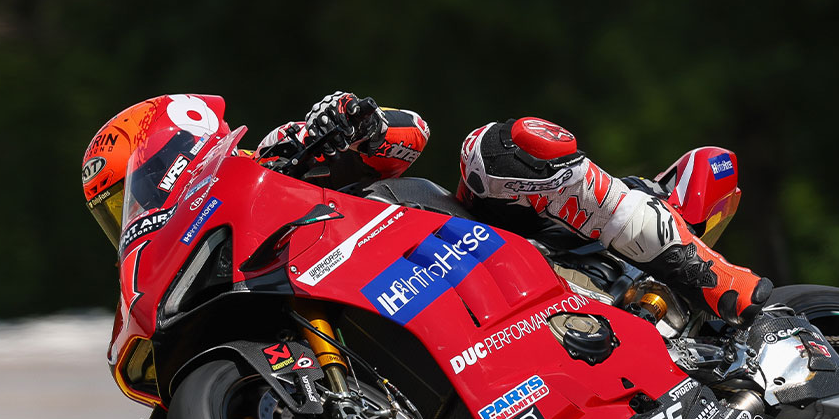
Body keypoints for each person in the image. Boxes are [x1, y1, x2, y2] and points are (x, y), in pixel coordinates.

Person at [255, 91, 771, 327]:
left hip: (469, 241)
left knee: (497, 148)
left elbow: (412, 131)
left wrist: (355, 121)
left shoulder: (287, 168)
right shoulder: (245, 260)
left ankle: (713, 275)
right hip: (439, 325)